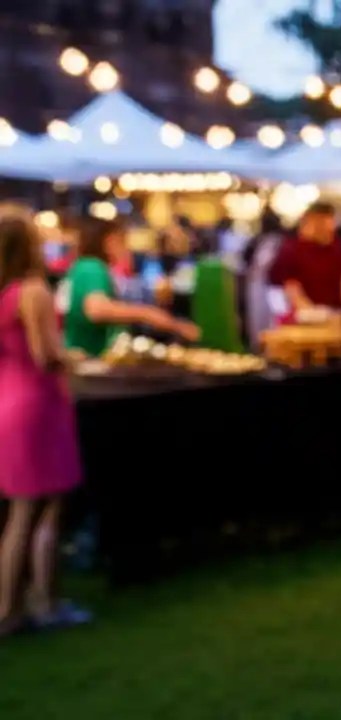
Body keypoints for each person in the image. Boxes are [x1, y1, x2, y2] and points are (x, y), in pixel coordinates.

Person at [0, 211, 90, 636]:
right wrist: (79, 359)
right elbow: (45, 355)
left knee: (20, 512)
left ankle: (11, 609)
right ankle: (45, 602)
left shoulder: (4, 292)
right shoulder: (33, 291)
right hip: (38, 405)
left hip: (8, 402)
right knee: (45, 509)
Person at [64, 217, 199, 356]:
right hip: (90, 360)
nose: (126, 248)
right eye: (121, 240)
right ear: (108, 241)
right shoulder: (92, 267)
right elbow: (96, 310)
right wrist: (148, 314)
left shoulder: (84, 266)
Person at [269, 202, 341, 328]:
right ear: (312, 222)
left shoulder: (336, 249)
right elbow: (293, 291)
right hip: (305, 323)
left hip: (336, 320)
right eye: (326, 223)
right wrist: (318, 317)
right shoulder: (292, 250)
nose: (331, 228)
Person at [242, 211, 286, 350]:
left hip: (272, 287)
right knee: (264, 321)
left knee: (273, 321)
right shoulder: (264, 241)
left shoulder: (264, 241)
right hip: (264, 286)